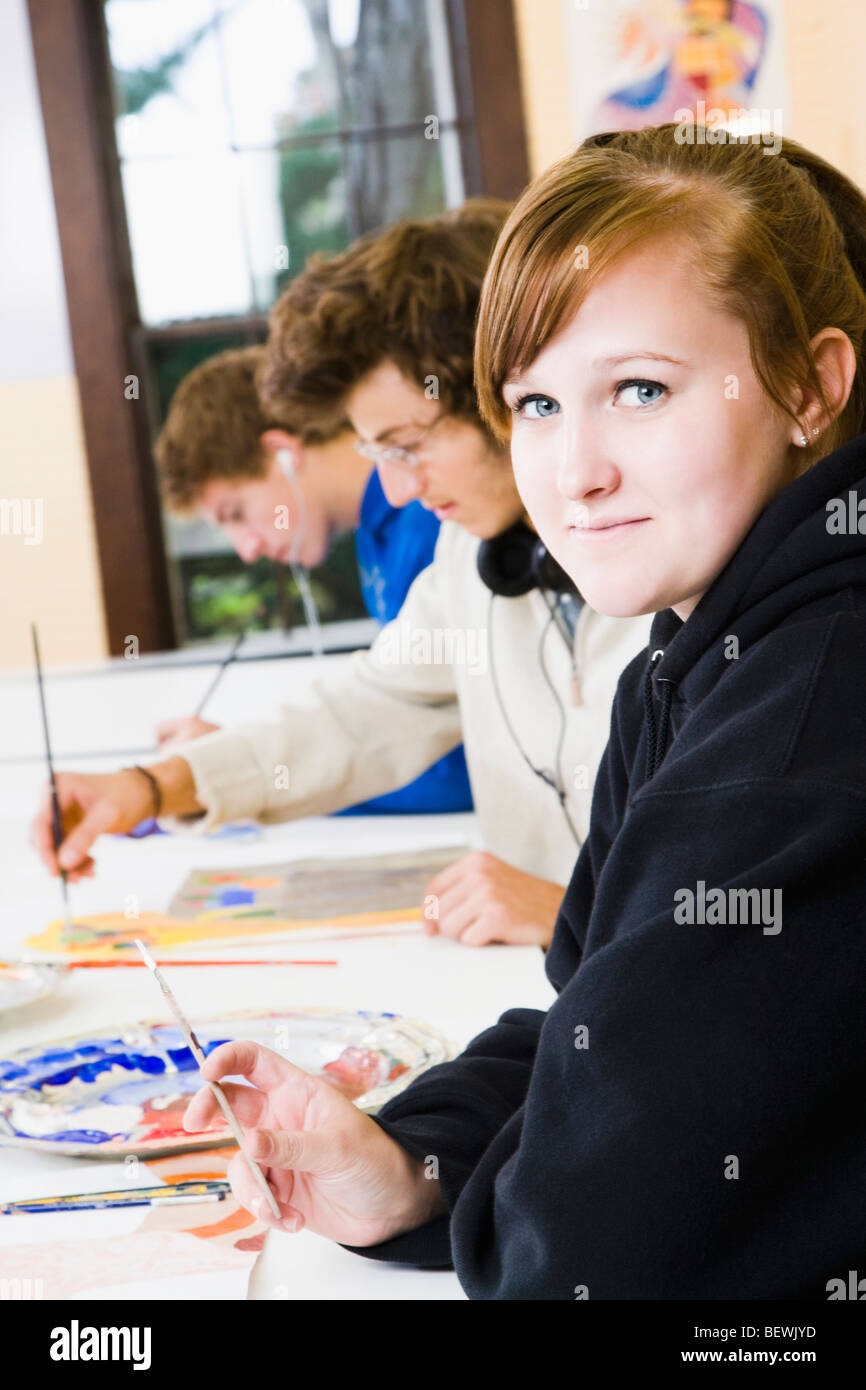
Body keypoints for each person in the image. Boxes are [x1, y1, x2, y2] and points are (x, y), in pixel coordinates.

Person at [181, 125, 866, 1298]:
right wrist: (411, 1162)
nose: (574, 469)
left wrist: (493, 1210)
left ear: (808, 384)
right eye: (536, 404)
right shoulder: (696, 647)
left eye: (638, 390)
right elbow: (592, 1020)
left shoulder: (794, 727)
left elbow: (583, 1251)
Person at [30, 201, 652, 948]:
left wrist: (568, 914)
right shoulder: (474, 556)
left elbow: (764, 910)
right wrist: (151, 786)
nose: (396, 491)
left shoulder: (683, 573)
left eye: (408, 445)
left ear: (508, 396)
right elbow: (366, 708)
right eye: (377, 455)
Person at [152, 343, 472, 815]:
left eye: (236, 513)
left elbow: (457, 768)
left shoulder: (432, 523)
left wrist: (256, 777)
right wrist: (245, 762)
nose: (247, 549)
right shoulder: (375, 536)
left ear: (282, 452)